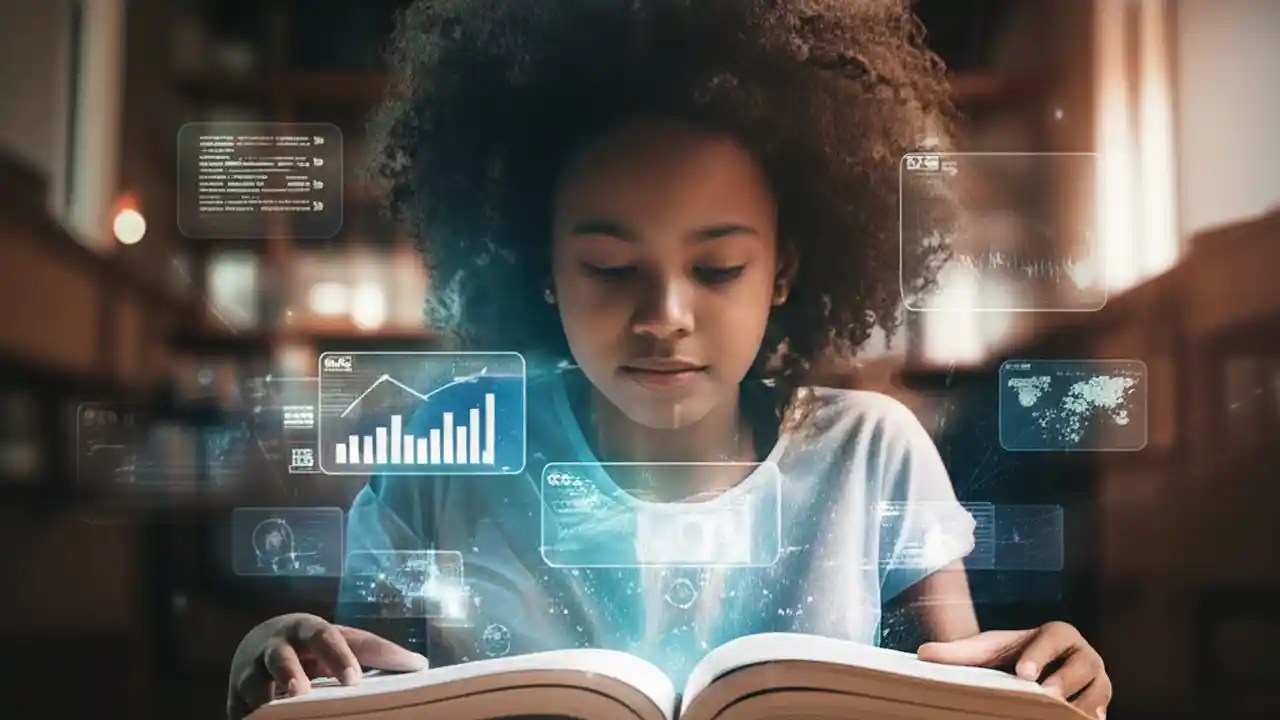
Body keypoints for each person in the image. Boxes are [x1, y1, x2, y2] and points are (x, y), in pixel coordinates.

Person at [228, 1, 1111, 717]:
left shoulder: (872, 457)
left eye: (717, 267)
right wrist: (274, 666)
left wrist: (1039, 686)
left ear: (784, 269)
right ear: (541, 270)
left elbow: (956, 702)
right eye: (611, 270)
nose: (665, 317)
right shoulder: (450, 448)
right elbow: (348, 696)